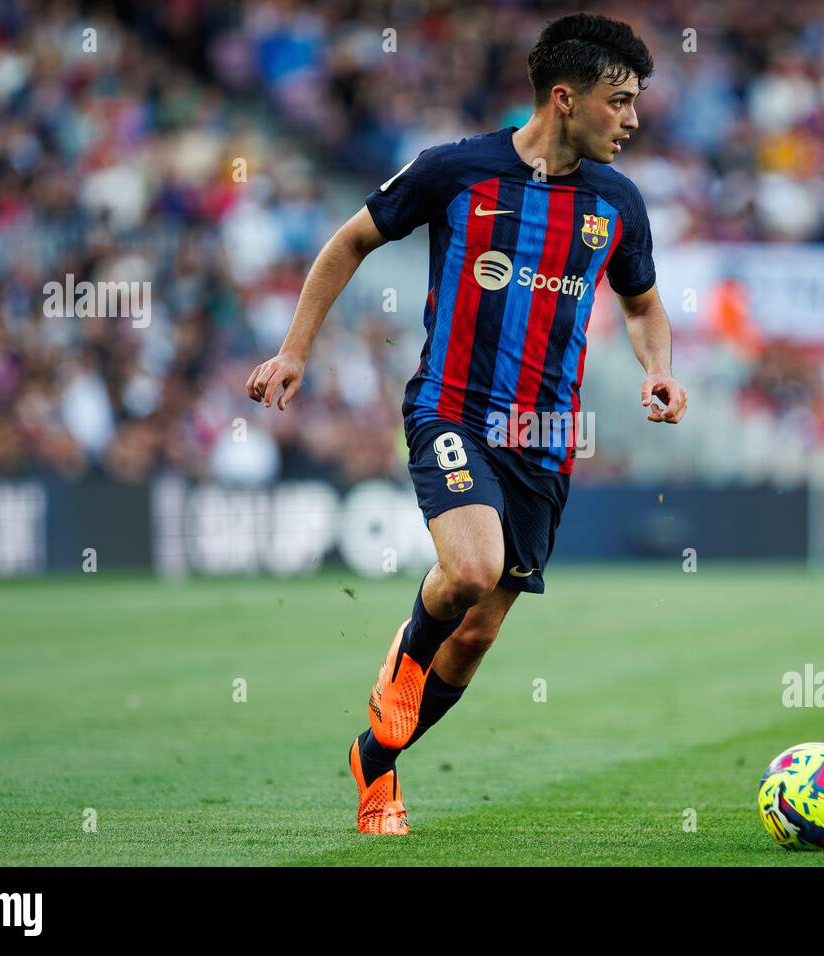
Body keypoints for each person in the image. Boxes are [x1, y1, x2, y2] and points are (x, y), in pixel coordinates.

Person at [245, 12, 687, 834]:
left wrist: (659, 369)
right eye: (620, 101)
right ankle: (401, 664)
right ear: (565, 97)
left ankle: (375, 764)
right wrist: (294, 351)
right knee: (472, 568)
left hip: (544, 441)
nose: (632, 120)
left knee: (478, 635)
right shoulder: (457, 171)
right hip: (451, 407)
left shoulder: (618, 204)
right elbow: (349, 242)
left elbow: (643, 304)